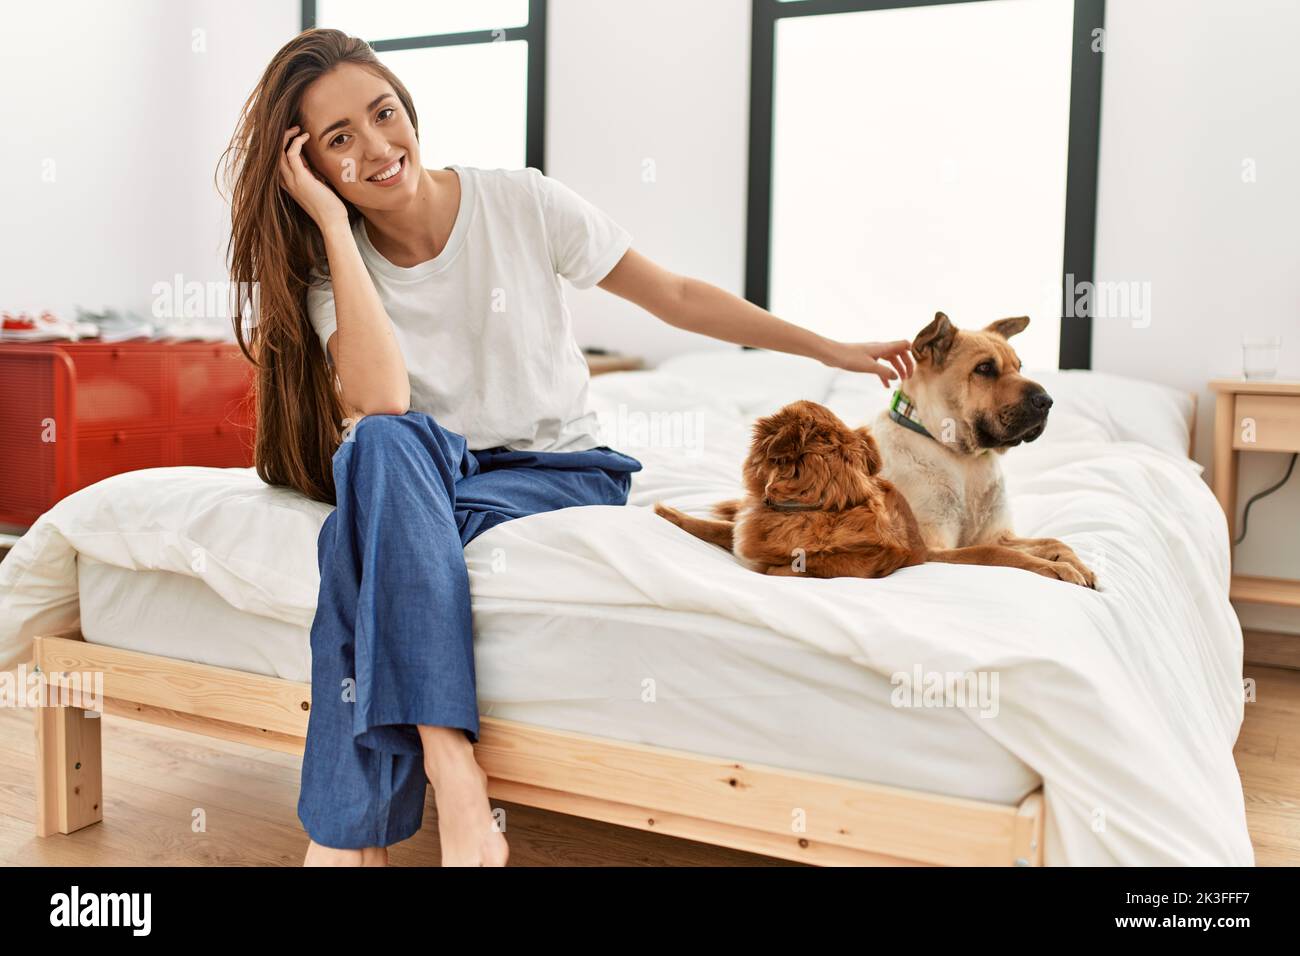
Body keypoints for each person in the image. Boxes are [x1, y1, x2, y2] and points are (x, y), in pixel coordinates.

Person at [218, 28, 914, 867]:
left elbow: (676, 295)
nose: (376, 147)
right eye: (339, 142)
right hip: (439, 473)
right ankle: (453, 766)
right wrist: (333, 224)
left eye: (383, 113)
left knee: (353, 531)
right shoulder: (339, 270)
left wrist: (830, 349)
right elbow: (385, 401)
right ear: (313, 170)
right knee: (377, 448)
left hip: (559, 473)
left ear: (409, 109)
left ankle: (355, 834)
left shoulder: (521, 202)